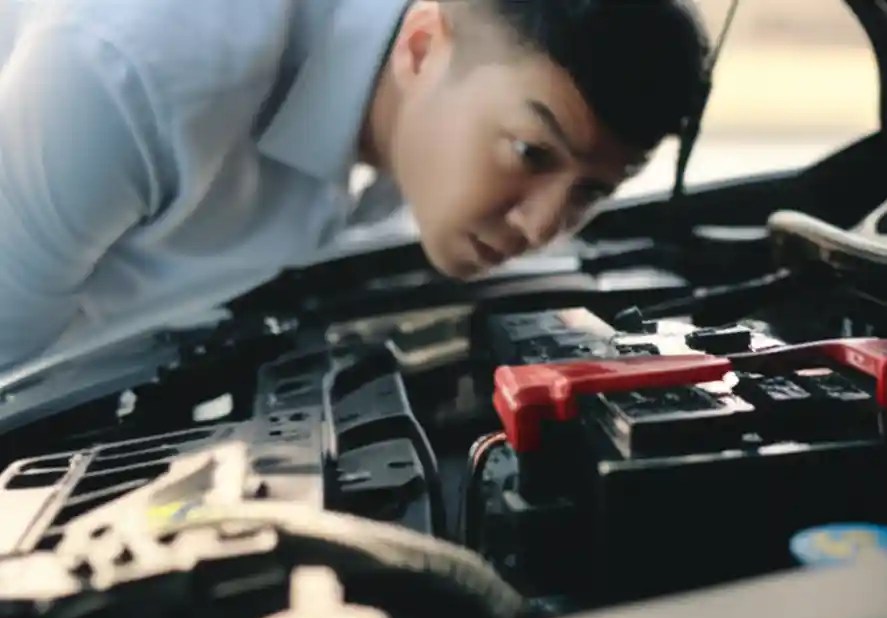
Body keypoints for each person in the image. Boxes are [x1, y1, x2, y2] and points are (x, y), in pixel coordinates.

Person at [0, 0, 710, 368]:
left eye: (593, 191)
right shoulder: (129, 77)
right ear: (422, 47)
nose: (540, 228)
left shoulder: (432, 117)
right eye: (530, 153)